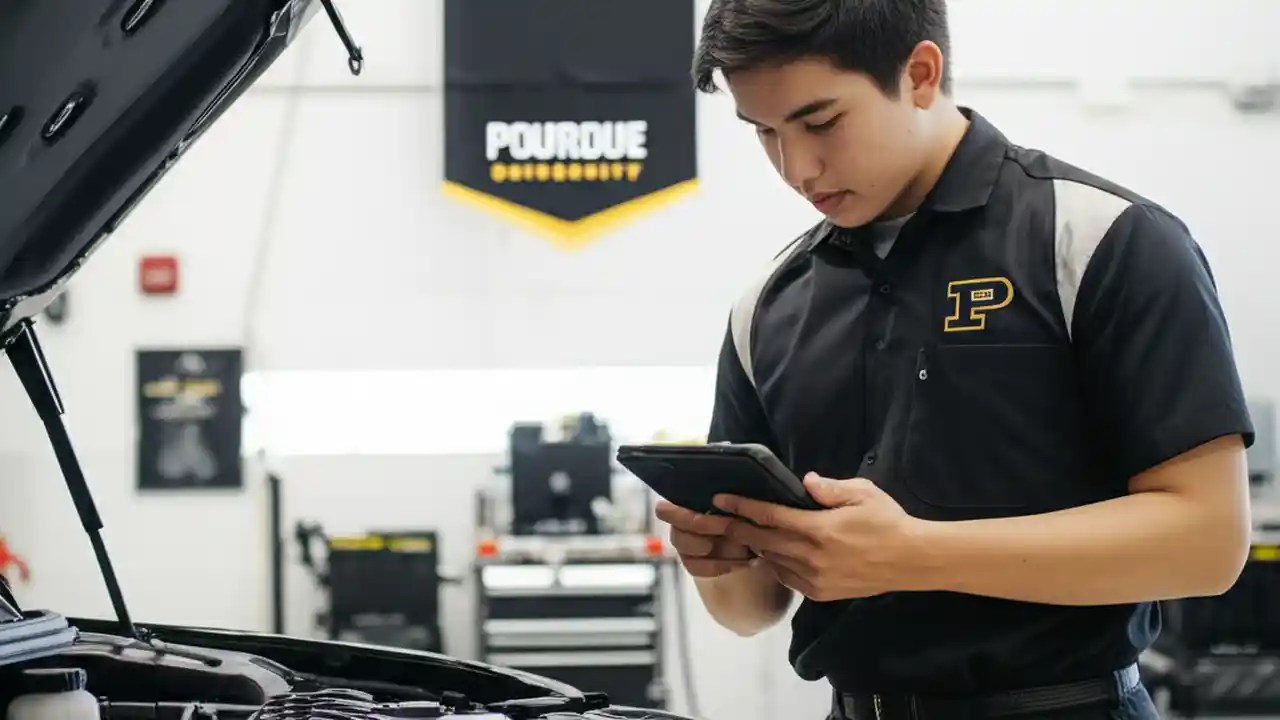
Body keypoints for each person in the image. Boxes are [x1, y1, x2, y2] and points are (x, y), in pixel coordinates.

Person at [654, 1, 1256, 718]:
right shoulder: (770, 303)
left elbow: (1209, 542)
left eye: (820, 123)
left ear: (919, 73)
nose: (797, 168)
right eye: (765, 134)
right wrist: (720, 558)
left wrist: (913, 552)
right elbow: (752, 609)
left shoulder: (1102, 241)